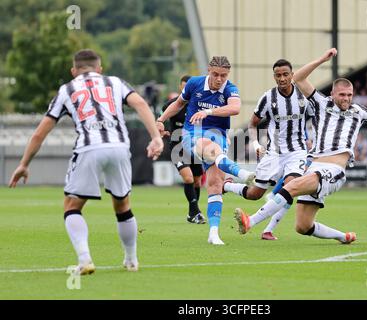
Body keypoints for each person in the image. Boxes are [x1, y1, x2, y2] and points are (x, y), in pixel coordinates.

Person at [234, 48, 367, 244]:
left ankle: (250, 221)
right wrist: (322, 59)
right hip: (314, 166)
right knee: (303, 226)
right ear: (333, 94)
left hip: (334, 170)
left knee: (291, 185)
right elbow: (299, 78)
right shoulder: (321, 103)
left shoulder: (358, 111)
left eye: (349, 95)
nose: (346, 99)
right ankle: (343, 237)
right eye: (342, 94)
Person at [8, 49, 164, 274]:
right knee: (122, 205)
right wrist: (156, 137)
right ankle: (131, 261)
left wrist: (24, 164)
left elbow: (39, 134)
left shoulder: (67, 89)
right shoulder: (115, 82)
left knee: (72, 206)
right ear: (100, 69)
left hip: (89, 148)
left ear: (74, 71)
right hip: (119, 146)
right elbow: (140, 103)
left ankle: (85, 260)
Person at [157, 56, 255, 245]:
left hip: (218, 133)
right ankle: (241, 173)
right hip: (192, 132)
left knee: (215, 184)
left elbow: (235, 108)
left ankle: (213, 232)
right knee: (207, 146)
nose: (219, 79)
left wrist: (208, 112)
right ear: (209, 70)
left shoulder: (230, 88)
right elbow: (178, 103)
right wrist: (160, 120)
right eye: (216, 74)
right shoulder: (194, 83)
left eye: (223, 75)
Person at [223, 59, 313, 240]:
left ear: (292, 75)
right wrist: (256, 144)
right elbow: (253, 123)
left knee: (291, 186)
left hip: (297, 152)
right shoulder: (268, 98)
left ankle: (255, 223)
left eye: (285, 74)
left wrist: (312, 140)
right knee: (254, 194)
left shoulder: (304, 96)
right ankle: (226, 185)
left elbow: (316, 118)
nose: (282, 79)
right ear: (274, 77)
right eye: (278, 75)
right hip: (273, 153)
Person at [161, 75, 206, 224]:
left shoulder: (199, 105)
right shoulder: (173, 104)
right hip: (177, 146)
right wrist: (166, 129)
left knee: (197, 181)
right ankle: (195, 213)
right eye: (185, 86)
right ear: (181, 87)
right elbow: (164, 115)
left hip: (194, 146)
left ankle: (193, 212)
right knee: (188, 177)